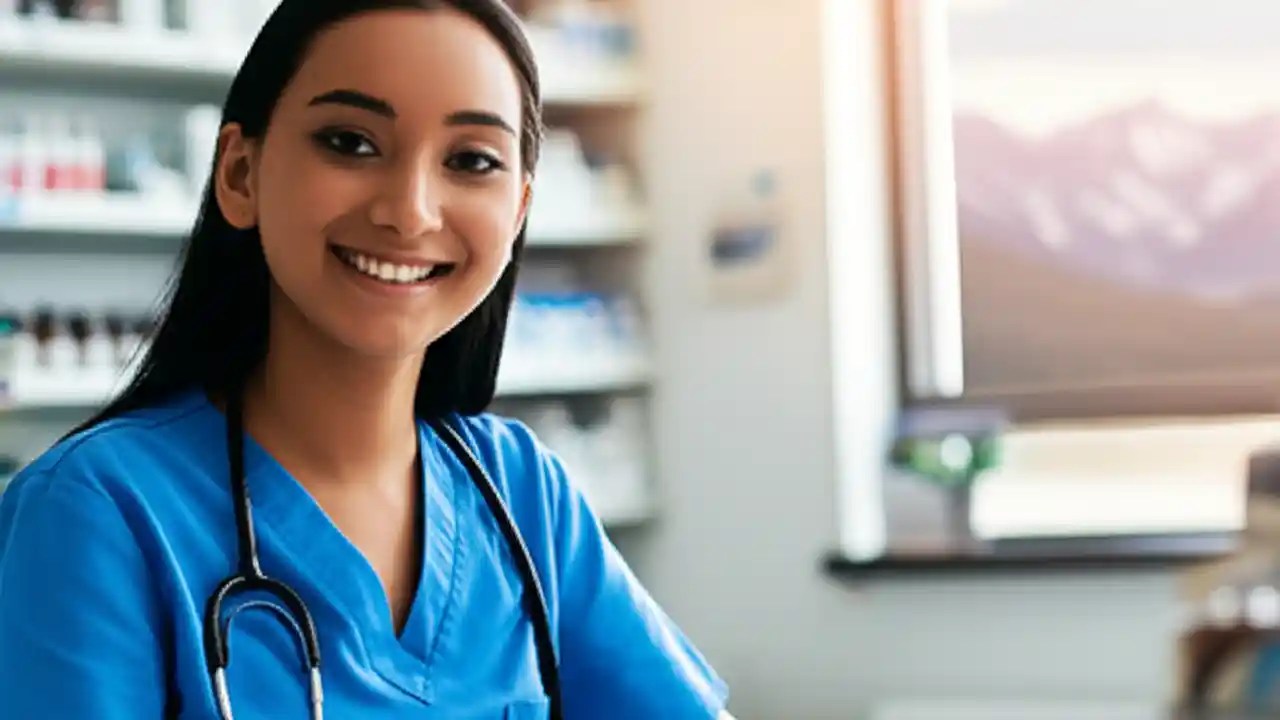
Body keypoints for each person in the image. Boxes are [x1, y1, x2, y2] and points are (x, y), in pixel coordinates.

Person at [0, 1, 733, 718]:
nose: (410, 211)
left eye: (471, 160)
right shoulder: (96, 511)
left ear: (517, 213)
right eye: (350, 142)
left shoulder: (521, 494)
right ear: (240, 174)